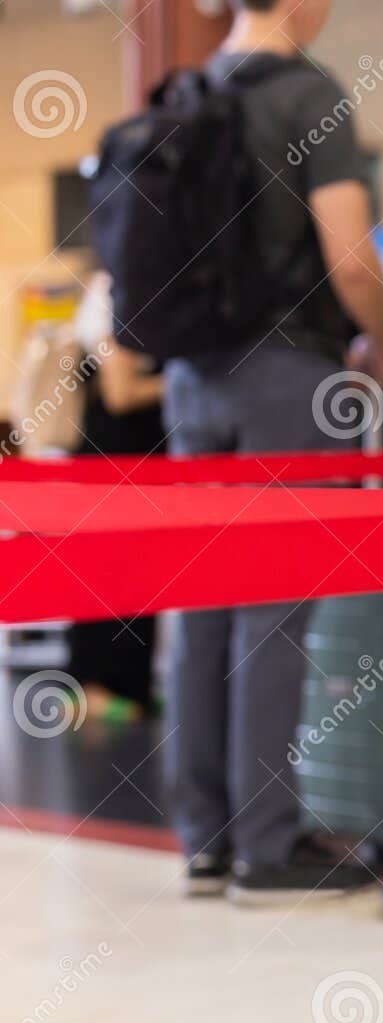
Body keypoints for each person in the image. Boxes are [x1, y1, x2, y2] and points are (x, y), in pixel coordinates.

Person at [164, 0, 383, 901]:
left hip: (192, 373)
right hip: (285, 370)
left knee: (202, 602)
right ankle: (267, 847)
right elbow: (350, 261)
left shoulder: (188, 92)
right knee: (272, 605)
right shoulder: (311, 95)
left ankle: (205, 840)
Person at [66, 271, 166, 722]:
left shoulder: (148, 290)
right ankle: (93, 689)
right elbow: (121, 392)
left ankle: (132, 685)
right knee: (106, 574)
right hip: (113, 461)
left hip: (140, 464)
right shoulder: (115, 292)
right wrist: (189, 382)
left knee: (142, 575)